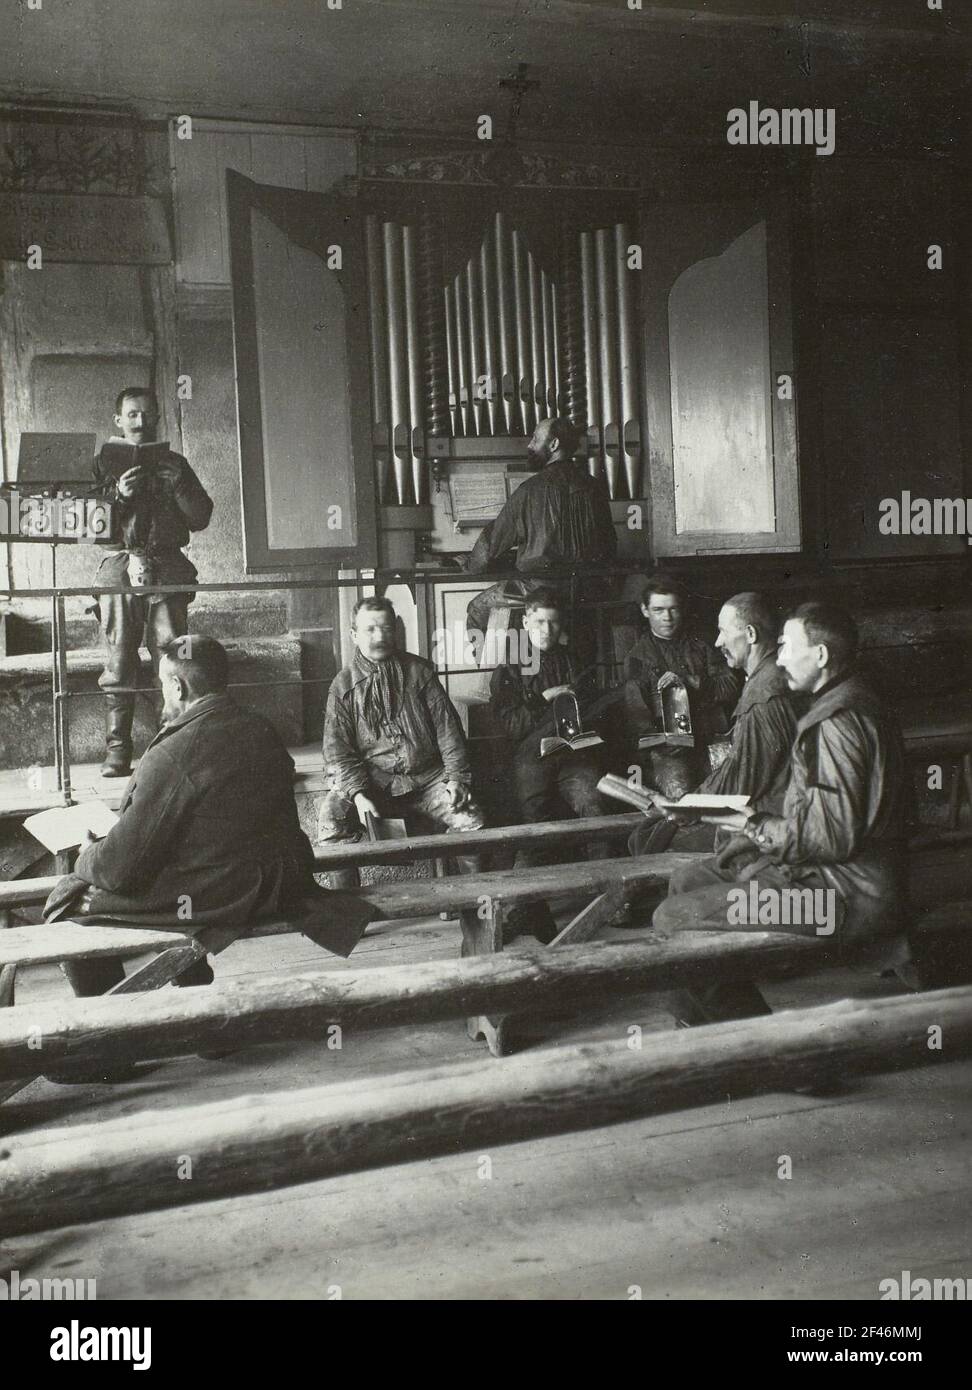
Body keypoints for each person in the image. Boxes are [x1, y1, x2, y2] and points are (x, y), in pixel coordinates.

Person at [43, 637, 372, 998]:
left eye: (162, 685)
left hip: (228, 891)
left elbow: (119, 869)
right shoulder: (260, 728)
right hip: (284, 879)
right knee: (157, 876)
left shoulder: (174, 752)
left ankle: (110, 1029)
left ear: (177, 686)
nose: (163, 694)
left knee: (68, 900)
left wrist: (86, 853)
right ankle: (195, 997)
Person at [652, 601, 907, 1026]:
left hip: (840, 899)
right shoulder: (848, 698)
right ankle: (695, 1024)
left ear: (821, 657)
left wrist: (753, 825)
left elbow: (830, 839)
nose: (780, 656)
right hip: (828, 878)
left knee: (671, 918)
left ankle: (775, 1047)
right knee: (686, 880)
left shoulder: (839, 722)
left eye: (787, 646)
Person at [319, 596, 486, 889]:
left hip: (429, 779)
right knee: (331, 820)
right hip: (374, 784)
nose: (380, 636)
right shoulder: (342, 687)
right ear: (354, 635)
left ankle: (476, 907)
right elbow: (338, 753)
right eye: (370, 629)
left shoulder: (420, 672)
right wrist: (358, 795)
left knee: (471, 820)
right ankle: (348, 914)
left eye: (386, 628)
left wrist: (458, 779)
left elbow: (449, 731)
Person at [92, 387, 213, 778]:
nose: (140, 422)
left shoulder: (175, 464)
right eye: (132, 415)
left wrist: (179, 485)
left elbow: (200, 518)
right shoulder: (101, 465)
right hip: (120, 561)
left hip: (167, 562)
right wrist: (119, 497)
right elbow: (94, 531)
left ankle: (171, 740)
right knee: (120, 654)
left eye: (147, 414)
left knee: (175, 651)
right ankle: (118, 748)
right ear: (118, 420)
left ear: (158, 418)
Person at [629, 592, 800, 855]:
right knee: (653, 830)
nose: (718, 642)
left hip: (765, 817)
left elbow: (743, 780)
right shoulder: (766, 678)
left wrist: (692, 806)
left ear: (751, 635)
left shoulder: (763, 695)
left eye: (723, 632)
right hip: (761, 806)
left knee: (653, 841)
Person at [489, 587, 614, 941]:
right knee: (533, 823)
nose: (546, 629)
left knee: (596, 804)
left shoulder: (573, 661)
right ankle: (525, 909)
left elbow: (589, 708)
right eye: (539, 621)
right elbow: (511, 726)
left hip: (572, 756)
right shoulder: (509, 669)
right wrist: (544, 700)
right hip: (530, 757)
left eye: (554, 622)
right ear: (526, 622)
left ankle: (609, 898)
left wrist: (584, 720)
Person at [465, 415, 616, 659]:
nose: (530, 445)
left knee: (477, 608)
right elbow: (610, 545)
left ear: (554, 444)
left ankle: (493, 674)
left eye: (535, 439)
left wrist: (471, 566)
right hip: (587, 589)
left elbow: (489, 546)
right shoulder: (594, 487)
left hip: (538, 588)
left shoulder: (529, 490)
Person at [622, 574, 741, 797]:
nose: (667, 617)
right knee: (683, 801)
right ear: (645, 610)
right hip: (669, 752)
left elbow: (730, 687)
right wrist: (663, 742)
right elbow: (638, 723)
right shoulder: (637, 658)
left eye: (673, 609)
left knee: (732, 793)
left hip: (713, 740)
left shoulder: (703, 645)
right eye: (658, 610)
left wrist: (689, 681)